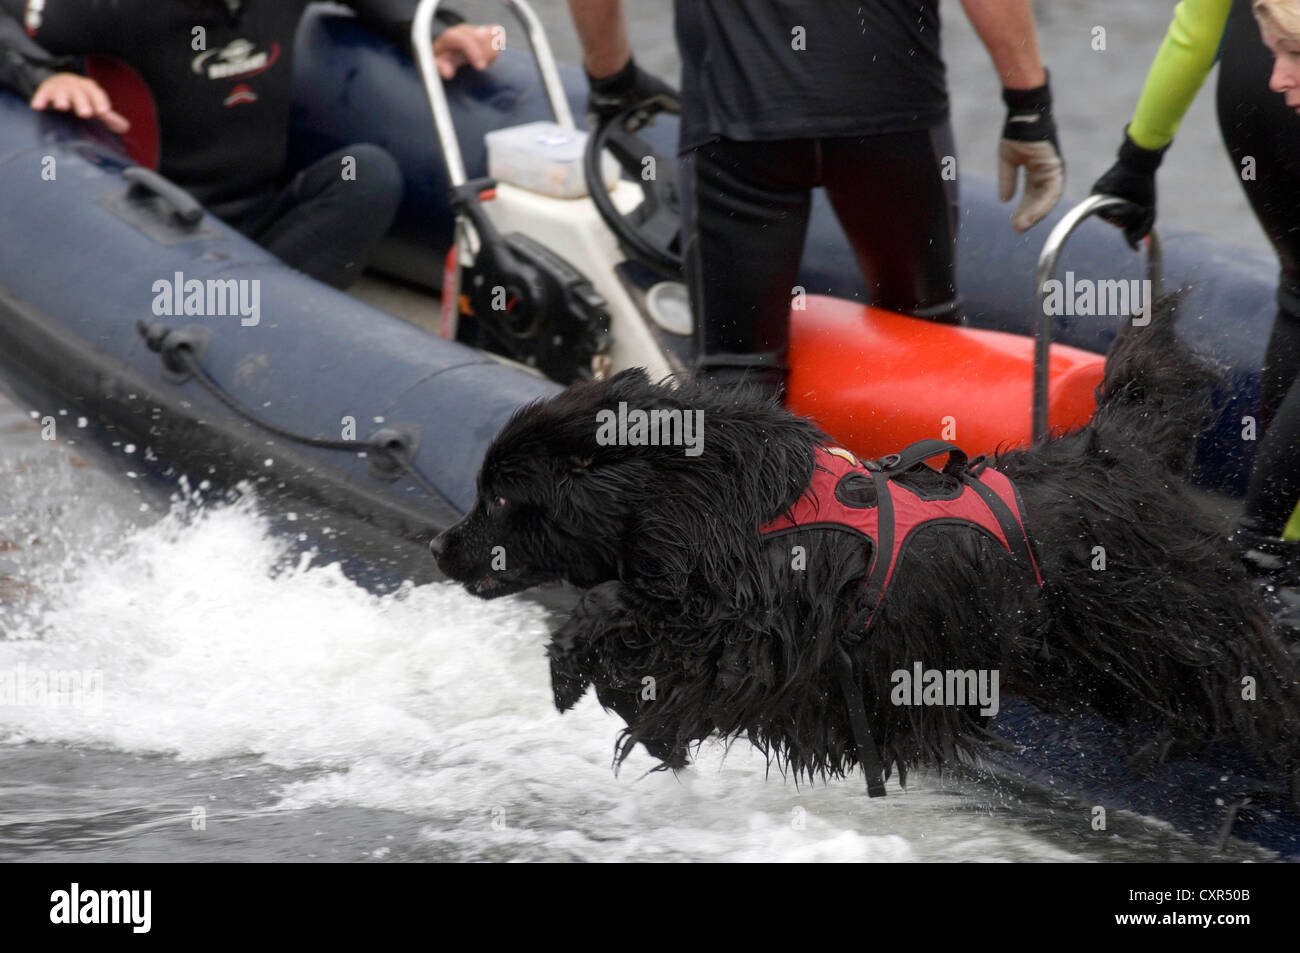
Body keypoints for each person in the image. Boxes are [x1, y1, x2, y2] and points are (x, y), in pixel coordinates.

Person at [567, 0, 1066, 399]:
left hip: (742, 120)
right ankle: (928, 509)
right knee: (923, 336)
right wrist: (1028, 108)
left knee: (738, 378)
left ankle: (746, 514)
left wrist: (611, 78)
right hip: (894, 120)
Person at [0, 0, 501, 289]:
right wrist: (40, 72)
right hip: (152, 238)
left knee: (369, 174)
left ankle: (279, 327)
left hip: (260, 224)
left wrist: (433, 28)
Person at [1091, 0, 1300, 594]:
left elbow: (1194, 28)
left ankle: (1274, 558)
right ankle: (1264, 549)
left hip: (1245, 90)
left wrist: (1139, 155)